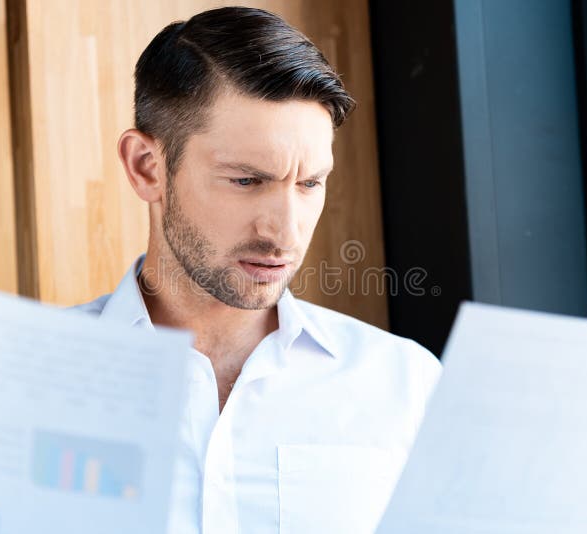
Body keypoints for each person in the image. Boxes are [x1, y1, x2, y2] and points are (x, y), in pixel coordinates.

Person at [75, 6, 441, 533]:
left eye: (310, 184)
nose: (285, 233)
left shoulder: (407, 386)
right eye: (246, 180)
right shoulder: (26, 379)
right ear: (146, 167)